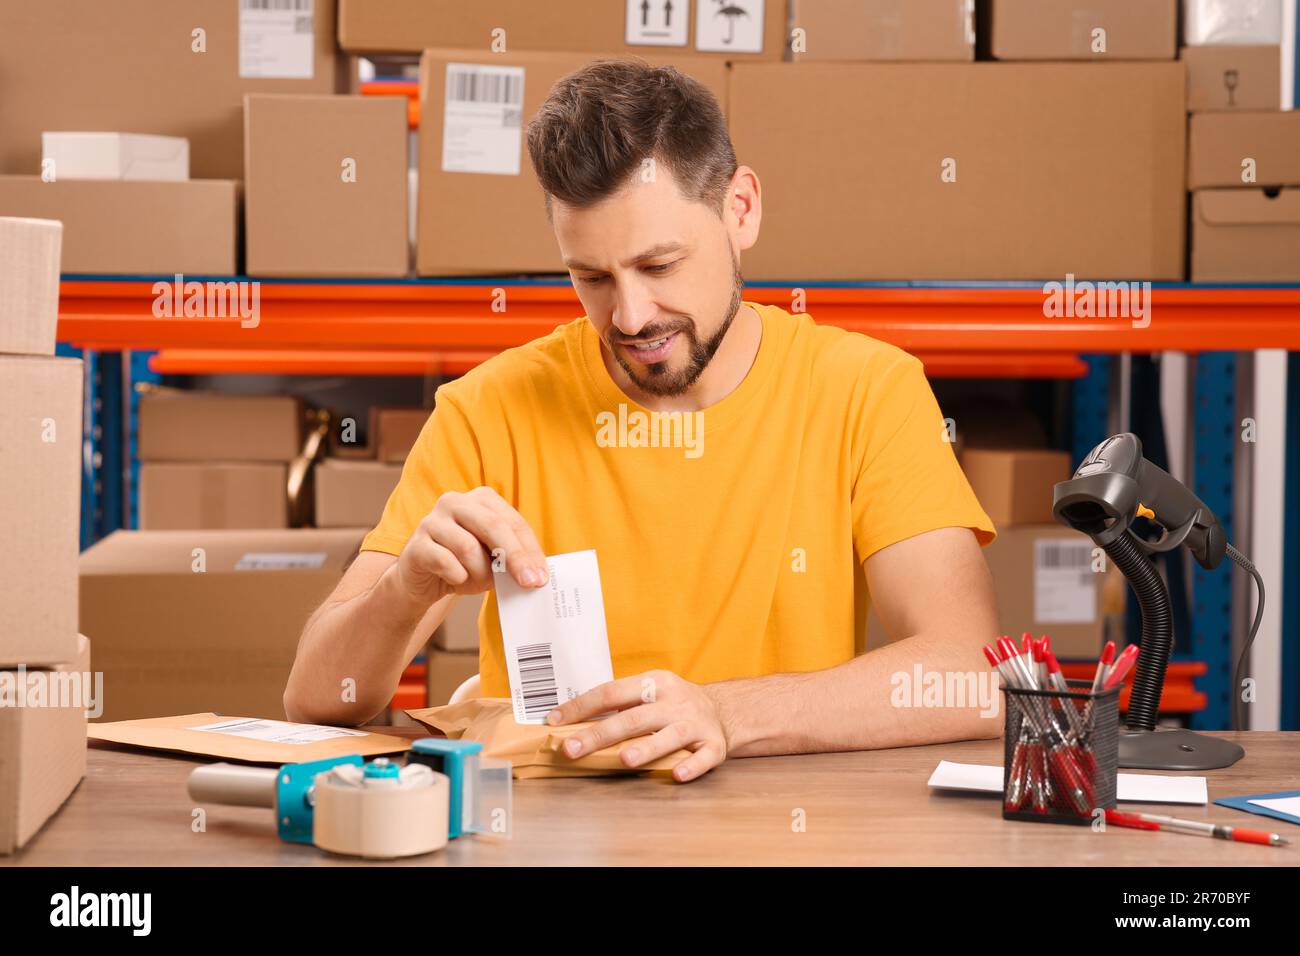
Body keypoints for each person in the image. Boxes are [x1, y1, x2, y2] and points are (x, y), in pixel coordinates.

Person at [285, 59, 1000, 782]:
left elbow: (968, 673)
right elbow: (315, 700)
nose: (629, 317)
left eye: (659, 265)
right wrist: (407, 589)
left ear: (740, 209)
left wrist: (725, 713)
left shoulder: (867, 391)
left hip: (777, 834)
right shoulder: (487, 409)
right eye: (591, 278)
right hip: (544, 835)